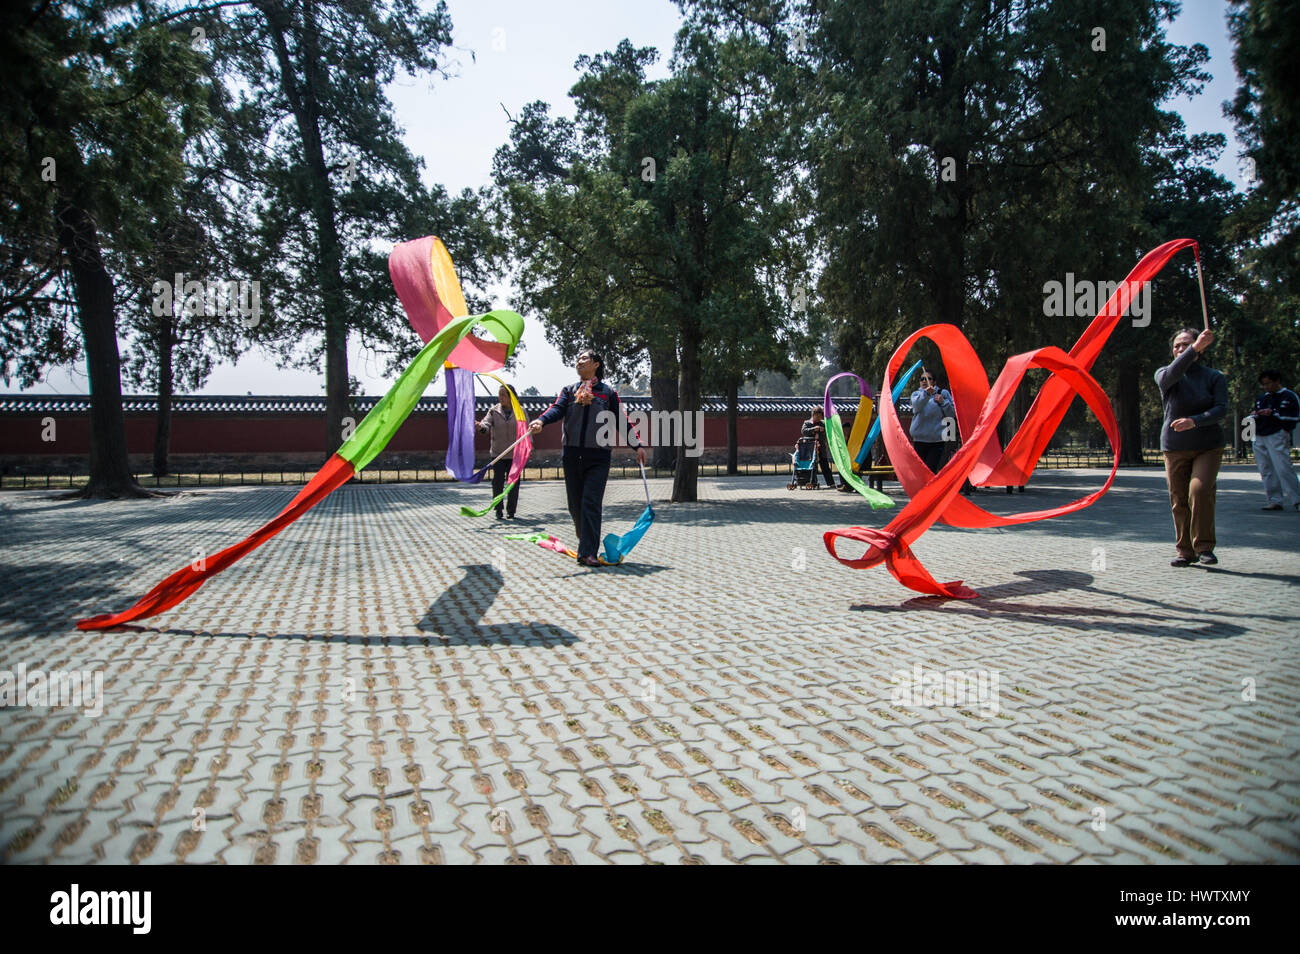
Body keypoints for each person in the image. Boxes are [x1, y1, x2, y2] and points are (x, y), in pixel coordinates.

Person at [528, 349, 646, 566]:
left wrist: (637, 445)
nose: (579, 362)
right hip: (572, 455)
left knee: (591, 503)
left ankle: (588, 552)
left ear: (596, 364)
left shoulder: (607, 393)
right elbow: (557, 409)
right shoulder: (569, 390)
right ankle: (586, 539)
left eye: (584, 359)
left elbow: (621, 420)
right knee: (575, 506)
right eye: (578, 359)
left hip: (598, 457)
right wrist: (541, 421)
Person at [1156, 326, 1226, 567]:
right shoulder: (1165, 374)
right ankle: (1185, 551)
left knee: (1200, 490)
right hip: (1175, 447)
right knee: (1179, 499)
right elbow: (1170, 376)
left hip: (1208, 446)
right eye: (1177, 345)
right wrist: (1194, 349)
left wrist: (1195, 421)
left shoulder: (1214, 376)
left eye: (1186, 344)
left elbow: (1221, 409)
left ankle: (1204, 546)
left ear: (1201, 347)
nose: (1180, 348)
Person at [1249, 369, 1300, 511]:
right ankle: (1274, 500)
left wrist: (1274, 414)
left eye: (1268, 383)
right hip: (1259, 435)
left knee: (1283, 468)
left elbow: (1294, 417)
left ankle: (1297, 499)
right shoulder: (1261, 399)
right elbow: (1255, 414)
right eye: (1263, 384)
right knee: (1266, 469)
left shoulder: (1289, 396)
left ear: (1277, 381)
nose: (1266, 387)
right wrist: (1255, 415)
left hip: (1277, 435)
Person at [477, 385, 522, 520]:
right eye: (499, 394)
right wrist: (480, 427)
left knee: (513, 483)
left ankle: (511, 511)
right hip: (498, 454)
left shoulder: (520, 411)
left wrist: (527, 448)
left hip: (515, 455)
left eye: (504, 395)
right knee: (497, 482)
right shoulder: (494, 411)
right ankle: (498, 509)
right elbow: (486, 425)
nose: (501, 397)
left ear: (511, 396)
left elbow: (526, 431)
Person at [909, 369, 954, 473]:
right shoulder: (916, 394)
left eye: (928, 379)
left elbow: (952, 414)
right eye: (922, 379)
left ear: (934, 382)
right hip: (919, 440)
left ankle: (931, 489)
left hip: (937, 441)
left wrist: (943, 402)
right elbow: (917, 407)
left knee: (931, 470)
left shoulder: (943, 393)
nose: (925, 381)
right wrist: (926, 394)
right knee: (920, 471)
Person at [800, 408, 841, 489]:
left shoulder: (823, 423)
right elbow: (803, 431)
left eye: (820, 416)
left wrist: (824, 430)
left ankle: (831, 483)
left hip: (821, 448)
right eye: (817, 416)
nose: (819, 418)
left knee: (825, 466)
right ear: (813, 415)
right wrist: (813, 429)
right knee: (812, 466)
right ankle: (812, 482)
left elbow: (829, 432)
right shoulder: (807, 423)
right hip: (810, 448)